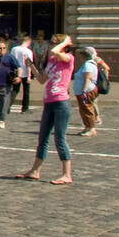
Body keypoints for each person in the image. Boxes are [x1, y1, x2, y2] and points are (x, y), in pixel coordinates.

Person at [17, 34, 76, 184]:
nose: (50, 45)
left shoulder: (68, 58)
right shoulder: (51, 61)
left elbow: (57, 52)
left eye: (53, 43)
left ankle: (67, 174)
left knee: (59, 139)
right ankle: (35, 171)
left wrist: (64, 43)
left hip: (61, 102)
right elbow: (42, 79)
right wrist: (31, 66)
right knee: (42, 138)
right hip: (49, 101)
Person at [73, 46, 102, 137]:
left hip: (87, 91)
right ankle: (87, 126)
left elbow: (88, 78)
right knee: (83, 109)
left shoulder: (88, 65)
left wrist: (84, 91)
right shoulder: (87, 64)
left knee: (87, 108)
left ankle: (92, 128)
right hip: (84, 91)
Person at [0, 38, 14, 129]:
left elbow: (18, 67)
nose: (2, 50)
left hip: (5, 84)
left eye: (4, 48)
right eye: (0, 48)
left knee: (3, 103)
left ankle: (2, 119)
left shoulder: (10, 57)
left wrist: (18, 77)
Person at [12, 34, 34, 113]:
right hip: (24, 72)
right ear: (28, 42)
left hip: (16, 72)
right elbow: (28, 64)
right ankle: (25, 108)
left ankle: (8, 105)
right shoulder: (28, 51)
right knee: (26, 91)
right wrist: (29, 75)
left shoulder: (14, 49)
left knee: (15, 90)